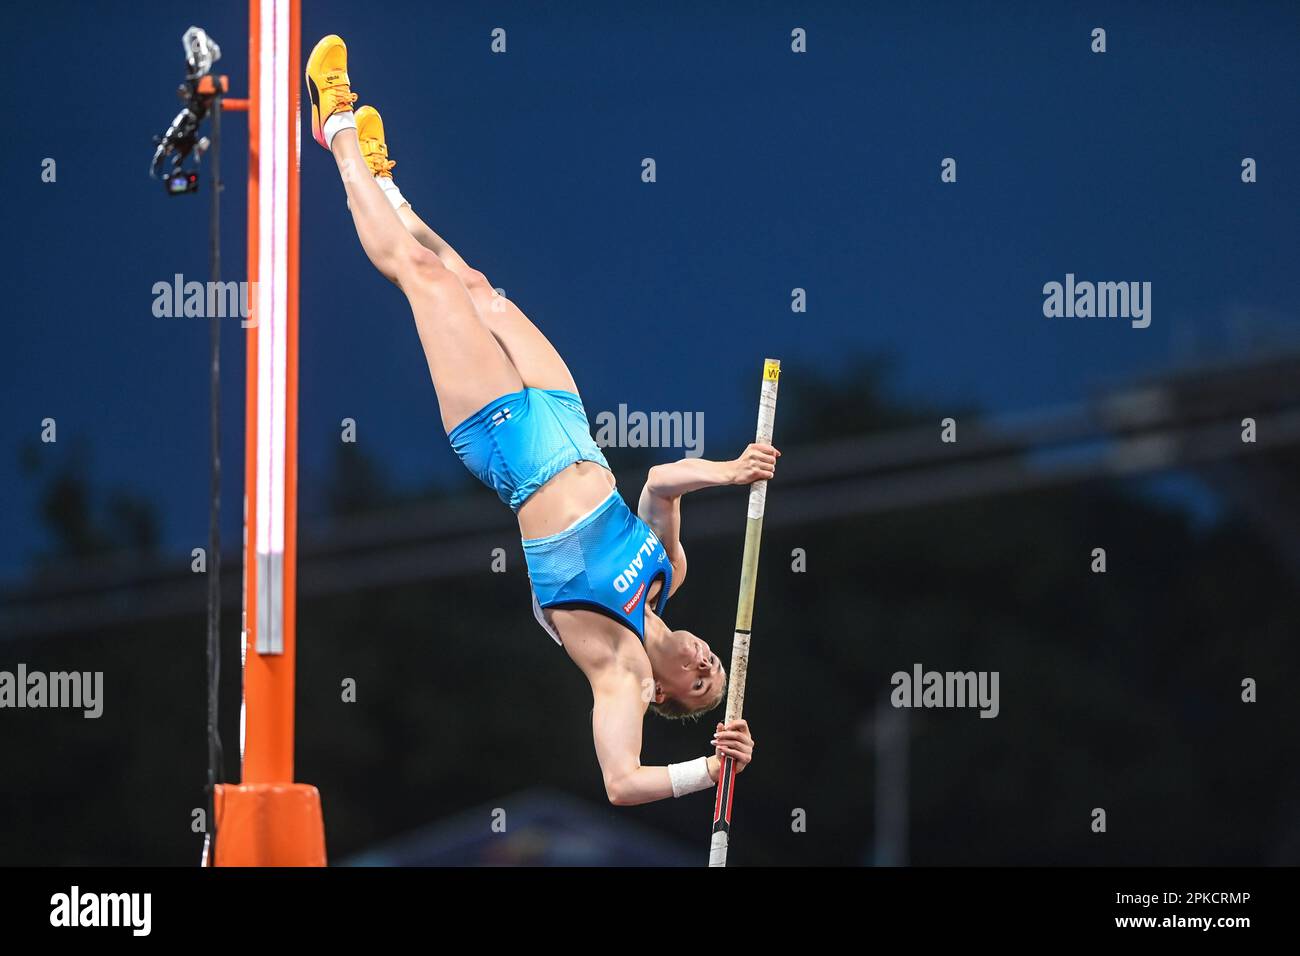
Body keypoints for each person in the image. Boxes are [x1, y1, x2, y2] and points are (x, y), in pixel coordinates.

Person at [306, 35, 776, 805]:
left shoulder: (617, 671)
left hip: (511, 448)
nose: (705, 667)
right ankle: (393, 192)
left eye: (698, 690)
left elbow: (621, 784)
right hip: (568, 421)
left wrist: (709, 772)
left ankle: (337, 125)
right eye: (715, 667)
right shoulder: (668, 573)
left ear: (665, 698)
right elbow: (661, 482)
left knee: (423, 278)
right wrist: (731, 469)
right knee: (482, 288)